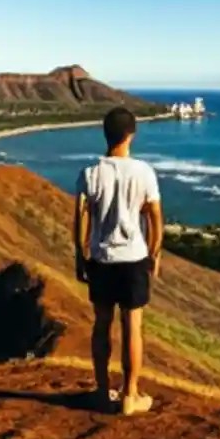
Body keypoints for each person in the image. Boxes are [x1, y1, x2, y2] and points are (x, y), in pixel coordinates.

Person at [73, 106, 164, 416]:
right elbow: (155, 218)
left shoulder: (89, 173)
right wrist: (154, 255)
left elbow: (80, 218)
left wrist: (79, 255)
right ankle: (130, 395)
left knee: (102, 325)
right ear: (131, 135)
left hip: (100, 258)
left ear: (106, 134)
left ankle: (101, 391)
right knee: (132, 327)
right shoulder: (144, 172)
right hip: (133, 258)